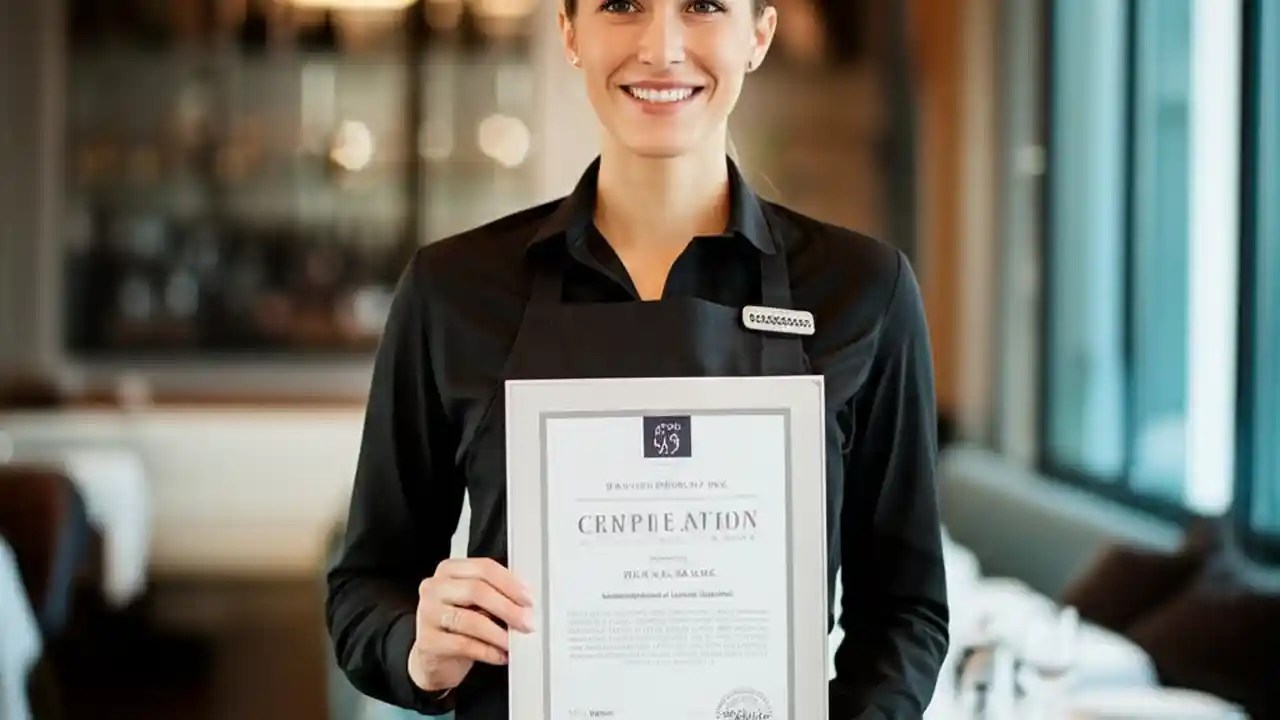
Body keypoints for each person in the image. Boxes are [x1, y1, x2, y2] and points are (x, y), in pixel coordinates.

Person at [326, 0, 949, 717]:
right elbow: (365, 588)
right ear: (568, 32)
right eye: (621, 5)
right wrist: (419, 646)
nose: (662, 47)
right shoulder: (452, 290)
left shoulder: (864, 292)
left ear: (759, 33)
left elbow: (905, 612)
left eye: (704, 6)